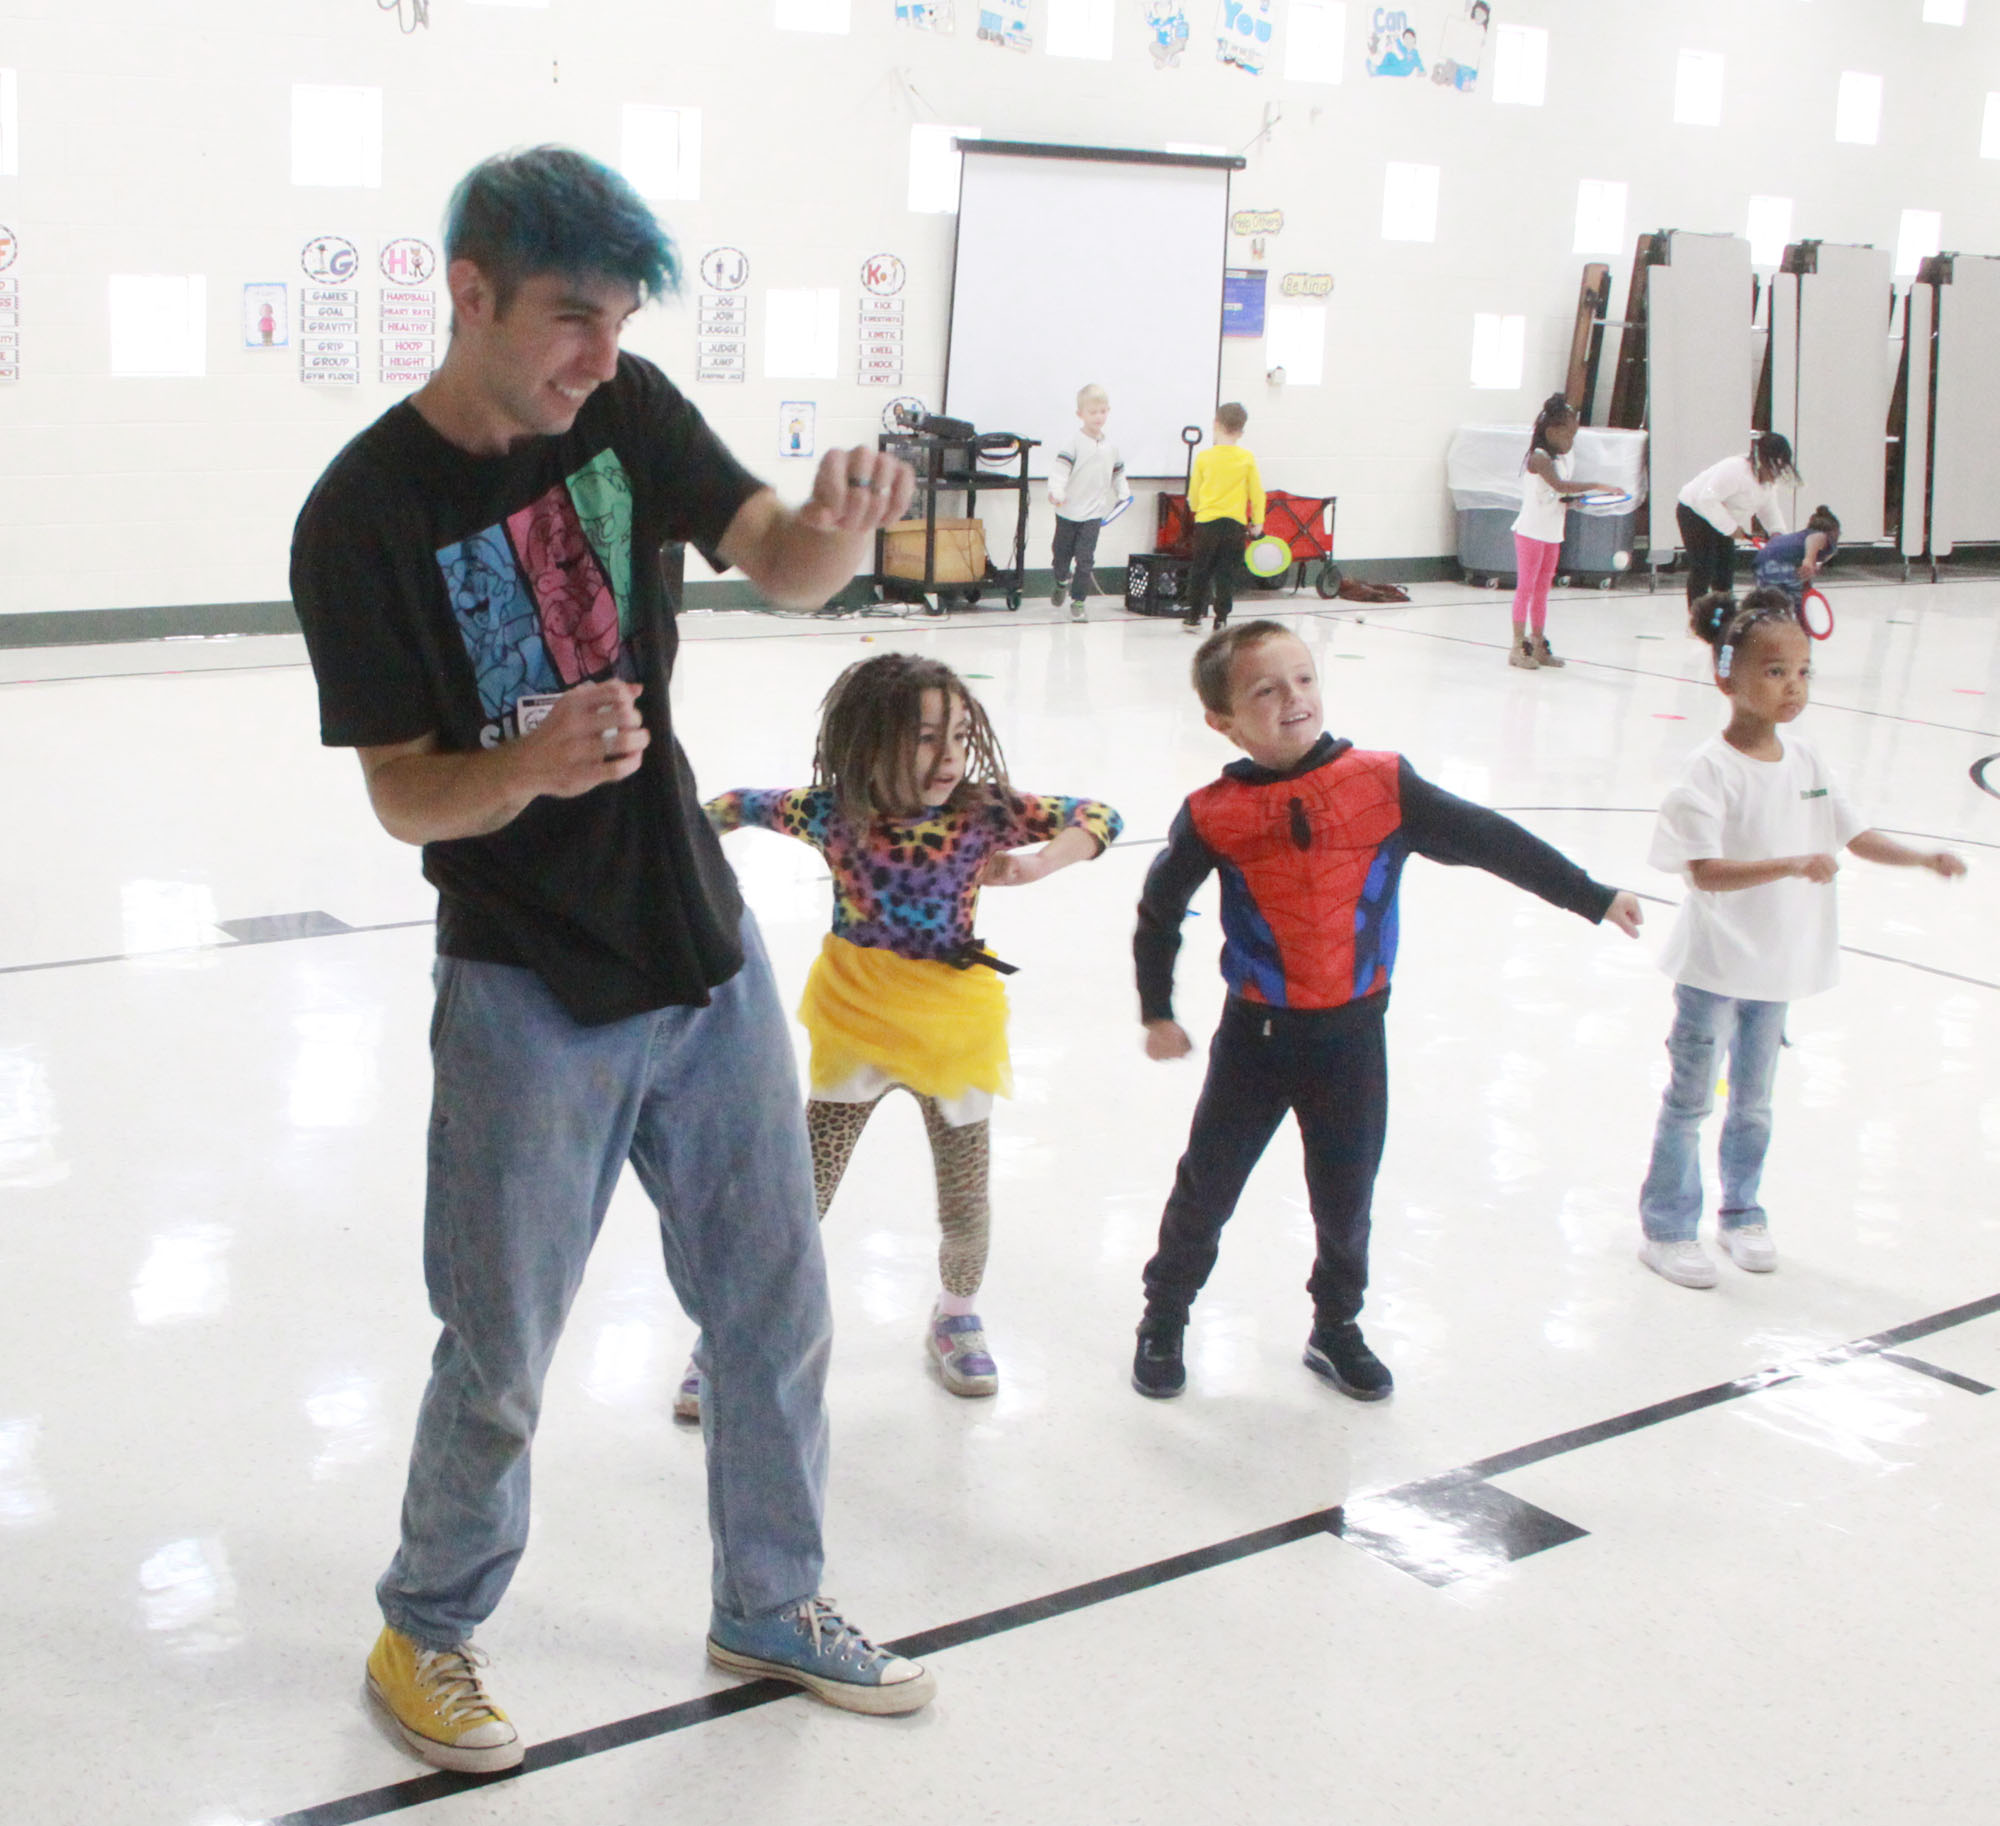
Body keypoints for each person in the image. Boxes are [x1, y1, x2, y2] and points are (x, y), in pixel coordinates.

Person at [287, 146, 939, 1775]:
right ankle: (426, 1628)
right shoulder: (360, 516)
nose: (597, 355)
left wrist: (838, 532)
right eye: (571, 319)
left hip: (696, 951)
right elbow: (399, 791)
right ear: (468, 292)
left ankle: (771, 1602)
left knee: (773, 1311)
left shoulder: (628, 413)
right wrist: (526, 764)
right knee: (500, 1351)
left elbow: (778, 558)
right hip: (525, 989)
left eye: (621, 321)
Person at [1130, 620, 1644, 1400]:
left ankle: (1336, 1325)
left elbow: (1489, 839)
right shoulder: (1213, 813)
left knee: (1347, 1201)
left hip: (1351, 1042)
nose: (1292, 699)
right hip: (1255, 1042)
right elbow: (1159, 909)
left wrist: (1590, 896)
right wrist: (1156, 1009)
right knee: (1207, 1187)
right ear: (1222, 722)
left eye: (1302, 678)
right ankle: (1164, 1316)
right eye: (1264, 690)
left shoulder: (1380, 782)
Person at [676, 653, 1121, 1414]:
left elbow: (1101, 815)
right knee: (800, 1194)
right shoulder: (832, 813)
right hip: (856, 1022)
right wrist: (675, 853)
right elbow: (730, 805)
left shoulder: (984, 812)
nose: (948, 757)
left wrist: (1045, 863)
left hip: (955, 1032)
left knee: (966, 1198)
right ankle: (733, 1333)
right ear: (869, 741)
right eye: (923, 738)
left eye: (957, 737)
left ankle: (955, 1315)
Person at [1636, 590, 1965, 1288]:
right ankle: (1667, 1226)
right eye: (1776, 671)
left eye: (1804, 672)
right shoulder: (1710, 771)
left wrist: (1920, 857)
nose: (1793, 687)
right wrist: (1789, 862)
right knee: (1691, 1101)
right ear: (1728, 677)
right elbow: (1705, 873)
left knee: (1754, 1103)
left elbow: (1852, 831)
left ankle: (1741, 1211)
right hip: (1715, 968)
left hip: (1776, 972)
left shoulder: (1807, 761)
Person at [1508, 392, 1608, 671]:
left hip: (1552, 532)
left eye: (1574, 436)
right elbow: (1559, 486)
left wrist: (1573, 500)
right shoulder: (1538, 457)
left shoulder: (1565, 457)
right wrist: (1598, 486)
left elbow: (1559, 493)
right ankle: (1517, 646)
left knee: (1542, 590)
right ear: (1551, 431)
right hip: (1530, 531)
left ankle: (1538, 643)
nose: (1571, 441)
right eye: (1567, 435)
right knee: (1525, 588)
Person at [1675, 432, 1799, 607]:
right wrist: (1731, 528)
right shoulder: (1735, 470)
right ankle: (1697, 620)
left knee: (1725, 569)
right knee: (1704, 566)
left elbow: (1769, 509)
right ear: (1762, 460)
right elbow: (1707, 499)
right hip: (1694, 512)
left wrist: (1777, 533)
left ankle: (1724, 615)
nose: (1777, 474)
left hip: (1723, 518)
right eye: (1774, 466)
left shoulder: (1768, 484)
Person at [1181, 402, 1265, 635]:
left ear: (1215, 424)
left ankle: (1194, 616)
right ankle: (1221, 618)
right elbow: (1257, 493)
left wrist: (1197, 509)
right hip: (1235, 524)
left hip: (1207, 522)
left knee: (1201, 570)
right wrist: (1258, 522)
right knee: (1226, 572)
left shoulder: (1204, 458)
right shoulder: (1247, 459)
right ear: (1241, 432)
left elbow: (1194, 493)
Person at [1048, 382, 1127, 621]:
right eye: (1093, 412)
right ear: (1080, 414)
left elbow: (1118, 473)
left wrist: (1123, 492)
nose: (1098, 416)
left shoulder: (1111, 447)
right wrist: (1057, 491)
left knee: (1085, 560)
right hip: (1067, 512)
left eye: (1102, 411)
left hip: (1093, 514)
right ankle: (1062, 581)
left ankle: (1079, 601)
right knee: (1060, 556)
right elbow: (1059, 472)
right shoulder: (1073, 444)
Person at [1752, 504, 1840, 607]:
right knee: (1797, 602)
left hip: (1760, 564)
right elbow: (1815, 538)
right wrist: (1808, 559)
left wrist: (1815, 563)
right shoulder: (1823, 537)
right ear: (1834, 532)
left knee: (1767, 600)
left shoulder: (1797, 538)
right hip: (1780, 565)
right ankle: (1797, 617)